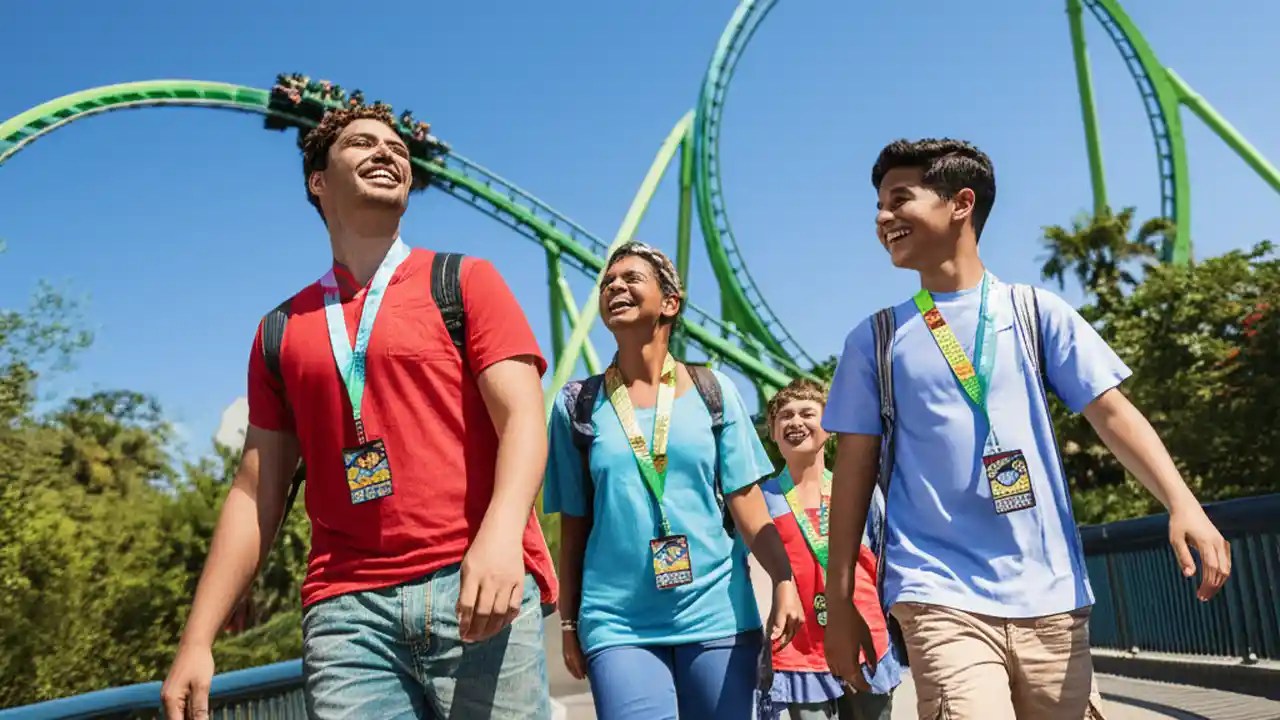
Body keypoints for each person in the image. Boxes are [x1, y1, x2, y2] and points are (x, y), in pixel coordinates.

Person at [160, 105, 558, 719]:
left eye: (397, 148)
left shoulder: (463, 281)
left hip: (476, 585)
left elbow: (525, 420)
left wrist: (503, 536)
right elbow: (255, 490)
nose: (388, 153)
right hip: (348, 617)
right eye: (362, 143)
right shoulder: (281, 330)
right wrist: (197, 641)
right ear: (318, 180)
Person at [820, 138, 1232, 720]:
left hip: (1053, 595)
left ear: (961, 203)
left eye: (899, 199)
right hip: (937, 592)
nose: (883, 217)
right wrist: (840, 603)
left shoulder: (1035, 312)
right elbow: (854, 474)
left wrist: (1182, 502)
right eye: (880, 205)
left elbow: (1112, 414)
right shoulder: (877, 340)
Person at [544, 241, 805, 719]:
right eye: (607, 282)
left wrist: (784, 579)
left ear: (669, 303)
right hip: (617, 621)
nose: (615, 286)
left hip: (716, 612)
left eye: (630, 278)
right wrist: (568, 623)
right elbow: (575, 526)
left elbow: (747, 504)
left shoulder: (713, 391)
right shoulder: (576, 406)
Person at [758, 378, 901, 720]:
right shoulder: (763, 500)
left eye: (808, 413)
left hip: (865, 637)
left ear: (830, 428)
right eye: (785, 417)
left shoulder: (861, 491)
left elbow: (885, 557)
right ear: (773, 434)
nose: (795, 422)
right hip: (799, 647)